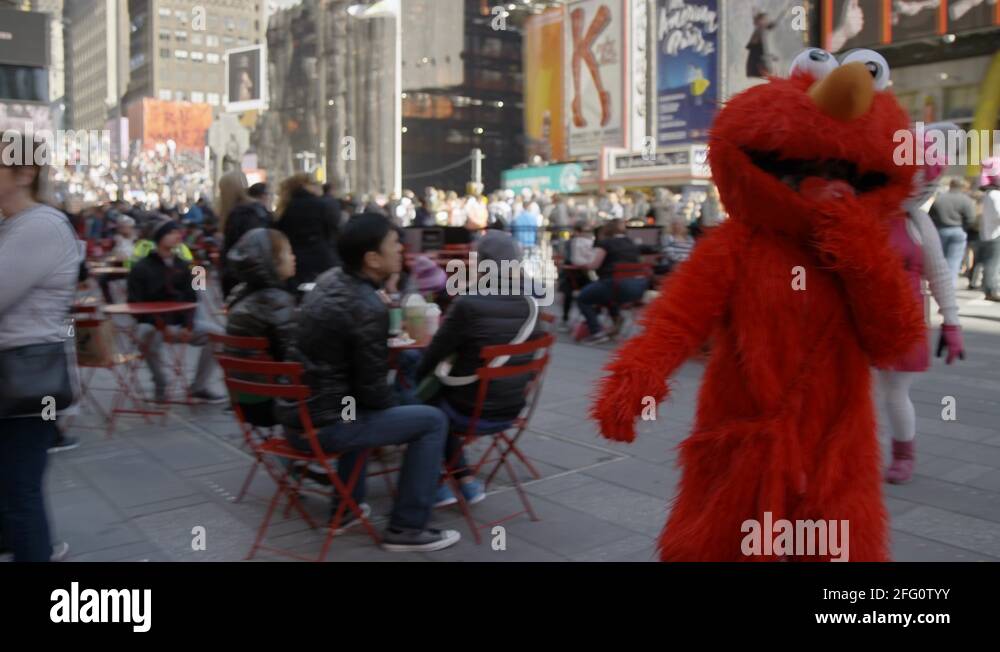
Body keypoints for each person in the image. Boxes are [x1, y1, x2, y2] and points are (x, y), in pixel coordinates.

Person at [276, 214, 460, 552]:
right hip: (323, 425)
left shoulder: (331, 280)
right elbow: (374, 394)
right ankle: (406, 528)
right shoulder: (366, 306)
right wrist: (405, 413)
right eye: (393, 243)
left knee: (361, 408)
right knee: (432, 420)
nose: (401, 248)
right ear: (371, 258)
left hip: (298, 416)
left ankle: (345, 510)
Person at [415, 231, 545, 507]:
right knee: (442, 400)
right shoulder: (532, 305)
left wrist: (415, 382)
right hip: (512, 408)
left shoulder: (468, 304)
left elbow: (433, 354)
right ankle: (465, 480)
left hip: (470, 410)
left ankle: (436, 480)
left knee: (424, 404)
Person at [0, 132, 76, 561]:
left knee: (18, 490)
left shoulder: (41, 226)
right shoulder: (13, 225)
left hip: (26, 380)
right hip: (15, 376)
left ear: (24, 172)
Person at [879, 126, 966, 484]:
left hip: (903, 324)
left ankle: (904, 452)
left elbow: (940, 275)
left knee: (895, 392)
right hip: (859, 323)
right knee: (853, 396)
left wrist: (952, 323)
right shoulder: (862, 216)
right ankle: (849, 456)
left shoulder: (919, 223)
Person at [127, 218, 226, 404]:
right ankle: (160, 382)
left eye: (177, 232)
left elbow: (192, 298)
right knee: (143, 334)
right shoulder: (141, 268)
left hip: (182, 324)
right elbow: (135, 305)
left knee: (218, 335)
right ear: (160, 238)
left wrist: (188, 325)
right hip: (153, 325)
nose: (177, 235)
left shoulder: (183, 265)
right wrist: (159, 324)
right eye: (171, 232)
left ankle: (199, 386)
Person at [224, 228, 298, 427]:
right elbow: (294, 357)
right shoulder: (276, 301)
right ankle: (348, 434)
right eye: (288, 252)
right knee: (349, 393)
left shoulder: (240, 294)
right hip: (273, 404)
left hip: (242, 400)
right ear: (272, 261)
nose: (294, 257)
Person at [575, 218, 648, 344]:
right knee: (604, 294)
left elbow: (594, 265)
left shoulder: (606, 244)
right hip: (637, 289)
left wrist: (584, 264)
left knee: (583, 298)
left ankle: (596, 332)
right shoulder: (631, 243)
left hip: (616, 287)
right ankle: (616, 322)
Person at [276, 173, 341, 292]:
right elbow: (331, 231)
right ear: (305, 185)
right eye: (314, 184)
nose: (318, 187)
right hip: (321, 259)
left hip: (295, 261)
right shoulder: (321, 205)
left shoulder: (285, 207)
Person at [222, 181, 274, 297]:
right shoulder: (261, 215)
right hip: (255, 274)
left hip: (233, 269)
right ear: (264, 196)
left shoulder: (234, 212)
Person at [929, 178, 977, 286]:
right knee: (954, 260)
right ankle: (949, 285)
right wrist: (964, 227)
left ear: (951, 185)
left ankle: (938, 284)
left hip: (940, 230)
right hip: (958, 230)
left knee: (940, 260)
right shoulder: (966, 200)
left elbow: (930, 216)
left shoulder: (940, 198)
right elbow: (971, 218)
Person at [559, 220, 595, 327]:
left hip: (573, 275)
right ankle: (589, 318)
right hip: (575, 276)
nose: (587, 233)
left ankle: (567, 318)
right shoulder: (577, 242)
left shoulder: (573, 242)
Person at [979, 171, 1000, 302]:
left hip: (988, 233)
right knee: (994, 264)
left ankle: (989, 289)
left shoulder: (988, 195)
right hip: (996, 233)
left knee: (990, 263)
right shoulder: (996, 195)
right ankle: (991, 290)